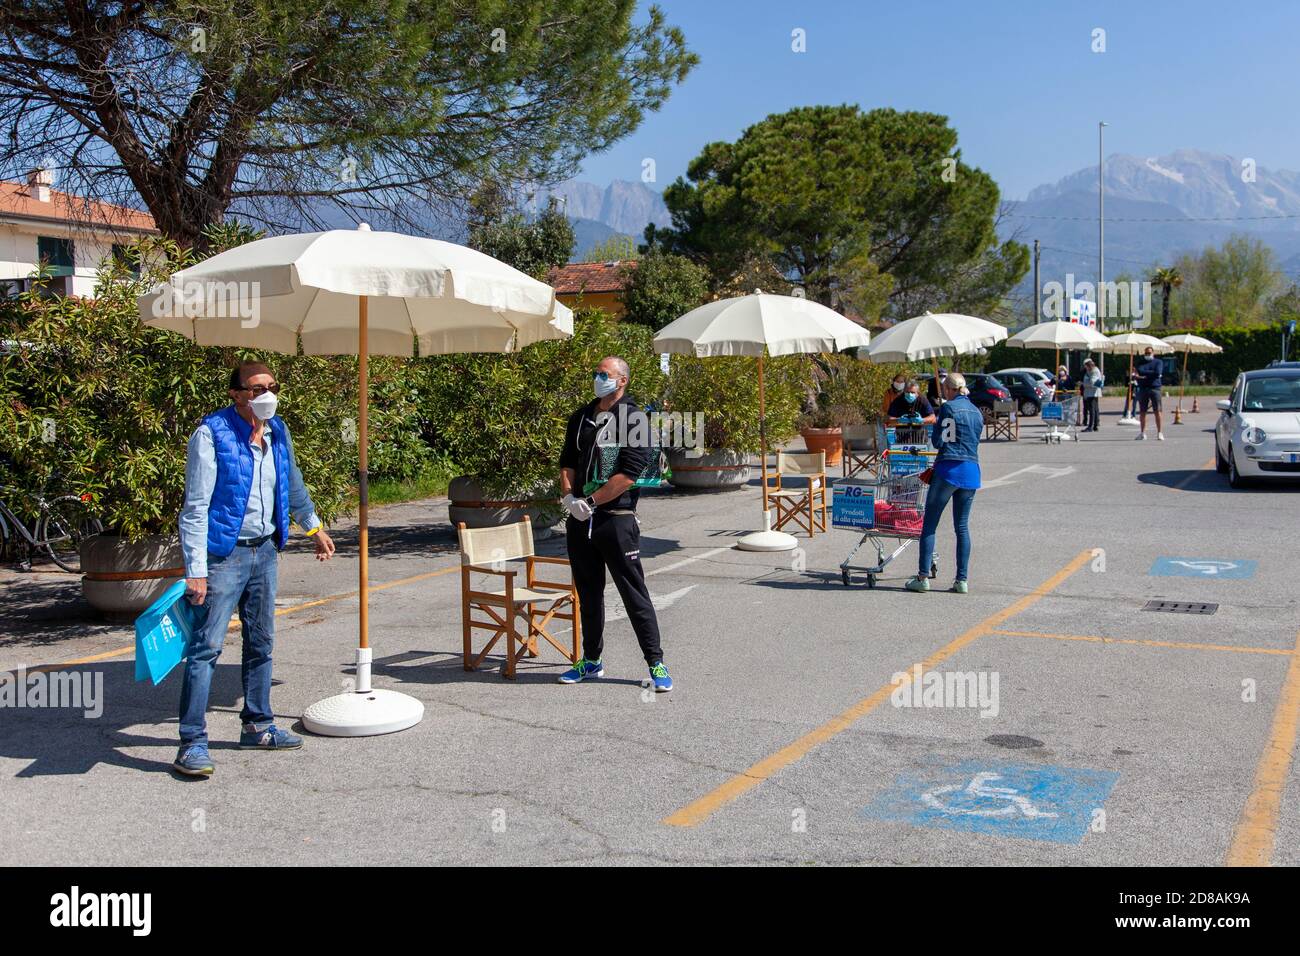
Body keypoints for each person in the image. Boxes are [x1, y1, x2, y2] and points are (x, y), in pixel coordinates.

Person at [174, 361, 336, 777]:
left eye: (271, 386)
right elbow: (194, 509)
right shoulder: (211, 434)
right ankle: (192, 742)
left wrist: (313, 526)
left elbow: (293, 483)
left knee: (261, 643)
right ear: (236, 394)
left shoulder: (278, 431)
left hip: (264, 552)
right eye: (255, 388)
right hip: (223, 557)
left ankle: (259, 725)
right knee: (205, 649)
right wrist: (196, 570)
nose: (265, 394)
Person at [557, 356, 672, 692]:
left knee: (634, 593)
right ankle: (591, 661)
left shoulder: (634, 420)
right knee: (589, 593)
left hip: (616, 521)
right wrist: (569, 498)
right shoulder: (581, 417)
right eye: (596, 373)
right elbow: (567, 462)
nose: (597, 378)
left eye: (604, 374)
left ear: (622, 380)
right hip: (580, 520)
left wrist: (591, 502)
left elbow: (629, 475)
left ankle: (656, 663)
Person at [907, 371, 981, 595]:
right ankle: (962, 580)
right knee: (962, 527)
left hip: (948, 469)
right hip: (971, 472)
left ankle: (922, 577)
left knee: (929, 525)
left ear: (948, 389)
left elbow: (939, 441)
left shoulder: (948, 408)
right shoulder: (977, 412)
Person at [1132, 346, 1166, 440]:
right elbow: (1140, 371)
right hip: (1143, 388)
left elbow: (1157, 372)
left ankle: (1160, 432)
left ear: (1153, 353)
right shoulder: (1141, 362)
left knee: (1157, 411)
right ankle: (1142, 433)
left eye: (1149, 353)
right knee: (1142, 411)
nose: (1147, 355)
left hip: (1155, 388)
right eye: (1146, 353)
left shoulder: (1158, 362)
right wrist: (1149, 374)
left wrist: (1144, 375)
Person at [1080, 358, 1103, 431]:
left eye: (1085, 366)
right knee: (1094, 409)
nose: (1085, 367)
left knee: (1092, 409)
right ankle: (1095, 426)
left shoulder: (1094, 371)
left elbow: (1092, 382)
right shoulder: (1090, 371)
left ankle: (1091, 426)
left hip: (1092, 393)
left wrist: (1083, 384)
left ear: (1089, 365)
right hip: (1091, 392)